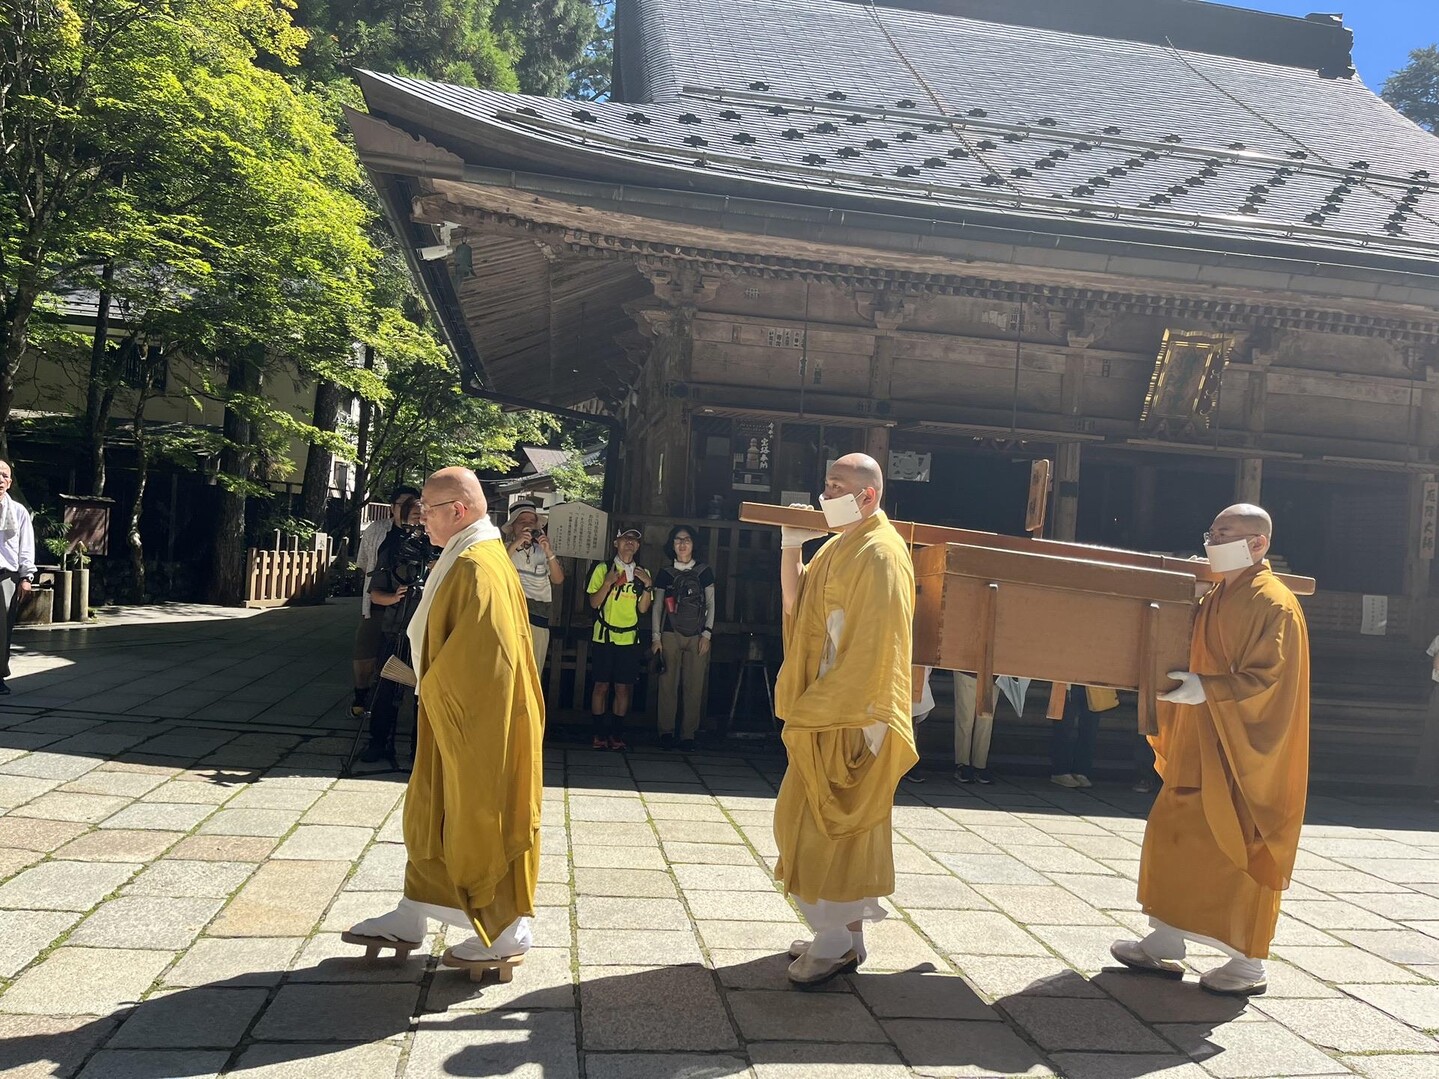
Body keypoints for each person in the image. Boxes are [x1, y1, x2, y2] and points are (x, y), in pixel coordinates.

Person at [344, 467, 544, 978]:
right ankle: (415, 913)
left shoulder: (479, 565)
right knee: (431, 810)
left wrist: (427, 684)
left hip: (478, 724)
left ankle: (503, 931)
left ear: (458, 510)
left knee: (479, 816)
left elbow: (485, 658)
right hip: (450, 714)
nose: (419, 520)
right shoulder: (467, 552)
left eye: (428, 510)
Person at [1111, 503, 1309, 997]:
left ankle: (1247, 964)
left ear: (1257, 543)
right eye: (1211, 533)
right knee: (1175, 832)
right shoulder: (1221, 594)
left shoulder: (1275, 603)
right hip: (1201, 738)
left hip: (1243, 751)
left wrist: (1209, 689)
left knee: (1236, 845)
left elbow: (1271, 680)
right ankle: (1165, 940)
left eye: (1224, 534)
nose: (1210, 543)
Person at [773, 453, 918, 987]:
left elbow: (876, 651)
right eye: (826, 484)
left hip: (855, 708)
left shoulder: (881, 554)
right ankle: (846, 934)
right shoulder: (839, 547)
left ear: (868, 496)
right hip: (834, 701)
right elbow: (798, 607)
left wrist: (822, 707)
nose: (825, 493)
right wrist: (791, 546)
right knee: (837, 823)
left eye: (837, 486)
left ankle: (832, 938)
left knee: (819, 821)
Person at [358, 497, 432, 764]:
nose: (420, 520)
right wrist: (395, 597)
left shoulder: (443, 549)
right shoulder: (393, 547)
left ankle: (420, 751)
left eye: (425, 515)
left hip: (429, 633)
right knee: (385, 688)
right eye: (414, 514)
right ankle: (379, 743)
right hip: (396, 625)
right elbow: (375, 593)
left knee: (425, 694)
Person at [351, 486, 421, 716]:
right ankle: (361, 694)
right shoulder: (378, 531)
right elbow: (364, 563)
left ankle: (388, 702)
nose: (411, 508)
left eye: (415, 503)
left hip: (410, 607)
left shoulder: (426, 533)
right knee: (365, 652)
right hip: (376, 600)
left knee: (397, 656)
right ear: (392, 507)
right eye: (404, 503)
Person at [587, 527, 653, 751]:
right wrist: (607, 583)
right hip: (604, 636)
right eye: (625, 539)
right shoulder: (603, 569)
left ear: (638, 546)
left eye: (634, 540)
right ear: (616, 543)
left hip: (628, 638)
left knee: (623, 688)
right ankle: (598, 733)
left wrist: (648, 585)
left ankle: (616, 734)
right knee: (601, 686)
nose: (630, 544)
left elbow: (643, 609)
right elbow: (594, 603)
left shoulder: (643, 573)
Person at [651, 524, 715, 751]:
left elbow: (710, 603)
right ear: (672, 544)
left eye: (687, 539)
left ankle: (689, 733)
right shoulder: (665, 573)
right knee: (667, 683)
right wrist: (655, 637)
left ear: (694, 544)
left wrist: (707, 633)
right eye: (678, 540)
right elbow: (657, 606)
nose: (682, 543)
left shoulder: (704, 571)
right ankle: (665, 731)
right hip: (669, 632)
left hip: (698, 634)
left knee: (694, 685)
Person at [504, 502, 564, 675]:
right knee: (510, 671)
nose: (527, 524)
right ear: (513, 526)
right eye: (522, 521)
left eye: (531, 520)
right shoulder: (503, 548)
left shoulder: (542, 550)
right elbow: (499, 570)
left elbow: (558, 579)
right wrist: (516, 544)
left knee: (532, 672)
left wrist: (549, 552)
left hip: (538, 616)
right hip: (511, 615)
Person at [0, 460, 36, 695]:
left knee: (2, 630)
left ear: (10, 482)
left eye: (4, 476)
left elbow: (26, 547)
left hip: (6, 576)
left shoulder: (18, 512)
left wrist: (26, 577)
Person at [1050, 685, 1119, 788]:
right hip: (1068, 682)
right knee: (1065, 725)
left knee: (1090, 727)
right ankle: (1060, 770)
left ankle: (1081, 771)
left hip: (1092, 683)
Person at [953, 673, 994, 784]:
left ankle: (980, 765)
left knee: (986, 720)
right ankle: (962, 764)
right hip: (965, 667)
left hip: (993, 672)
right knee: (965, 717)